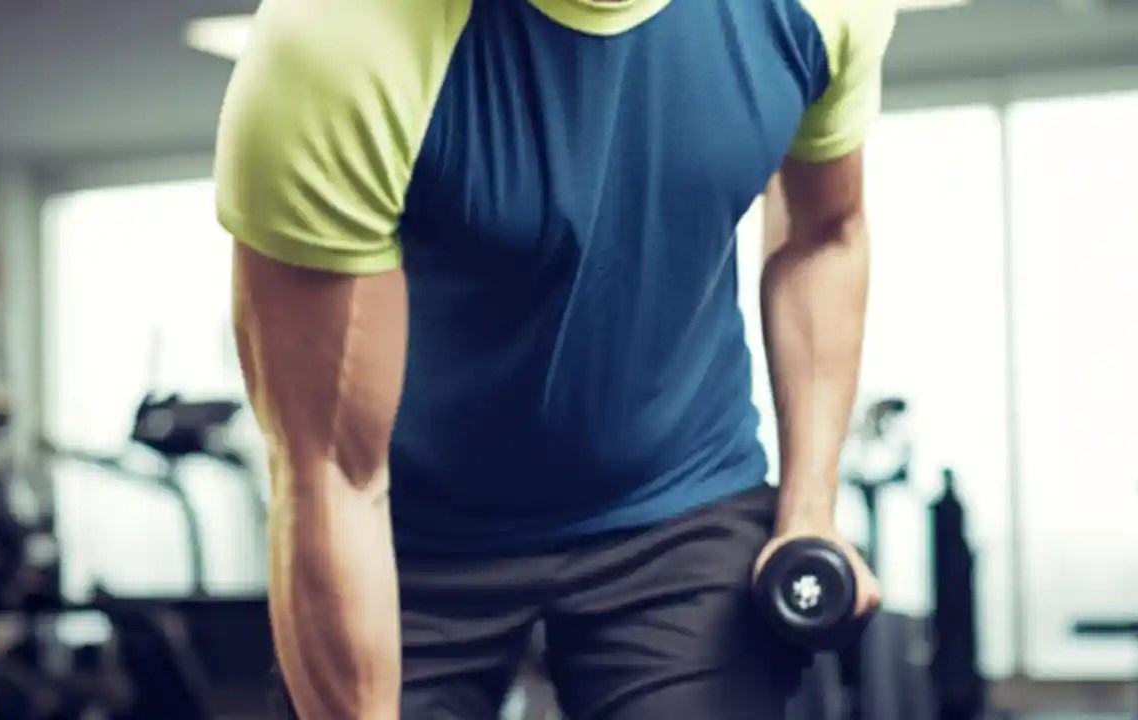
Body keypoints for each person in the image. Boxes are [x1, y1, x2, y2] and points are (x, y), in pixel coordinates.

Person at [215, 0, 896, 717]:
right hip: (402, 530)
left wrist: (810, 508)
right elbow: (329, 474)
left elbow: (825, 231)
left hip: (677, 497)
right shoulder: (338, 38)